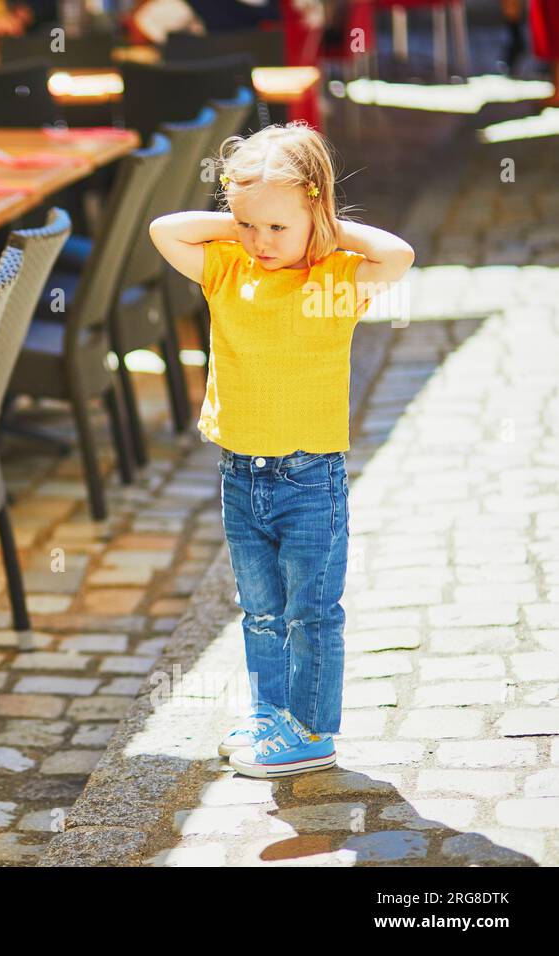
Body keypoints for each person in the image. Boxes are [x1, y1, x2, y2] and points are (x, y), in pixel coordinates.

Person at [149, 123, 415, 779]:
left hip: (308, 480)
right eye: (248, 225)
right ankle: (271, 715)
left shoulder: (337, 279)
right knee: (261, 613)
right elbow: (164, 229)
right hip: (241, 477)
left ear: (314, 213)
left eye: (277, 228)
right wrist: (239, 223)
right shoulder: (225, 267)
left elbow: (400, 253)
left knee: (312, 614)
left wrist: (325, 228)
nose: (261, 242)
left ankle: (313, 731)